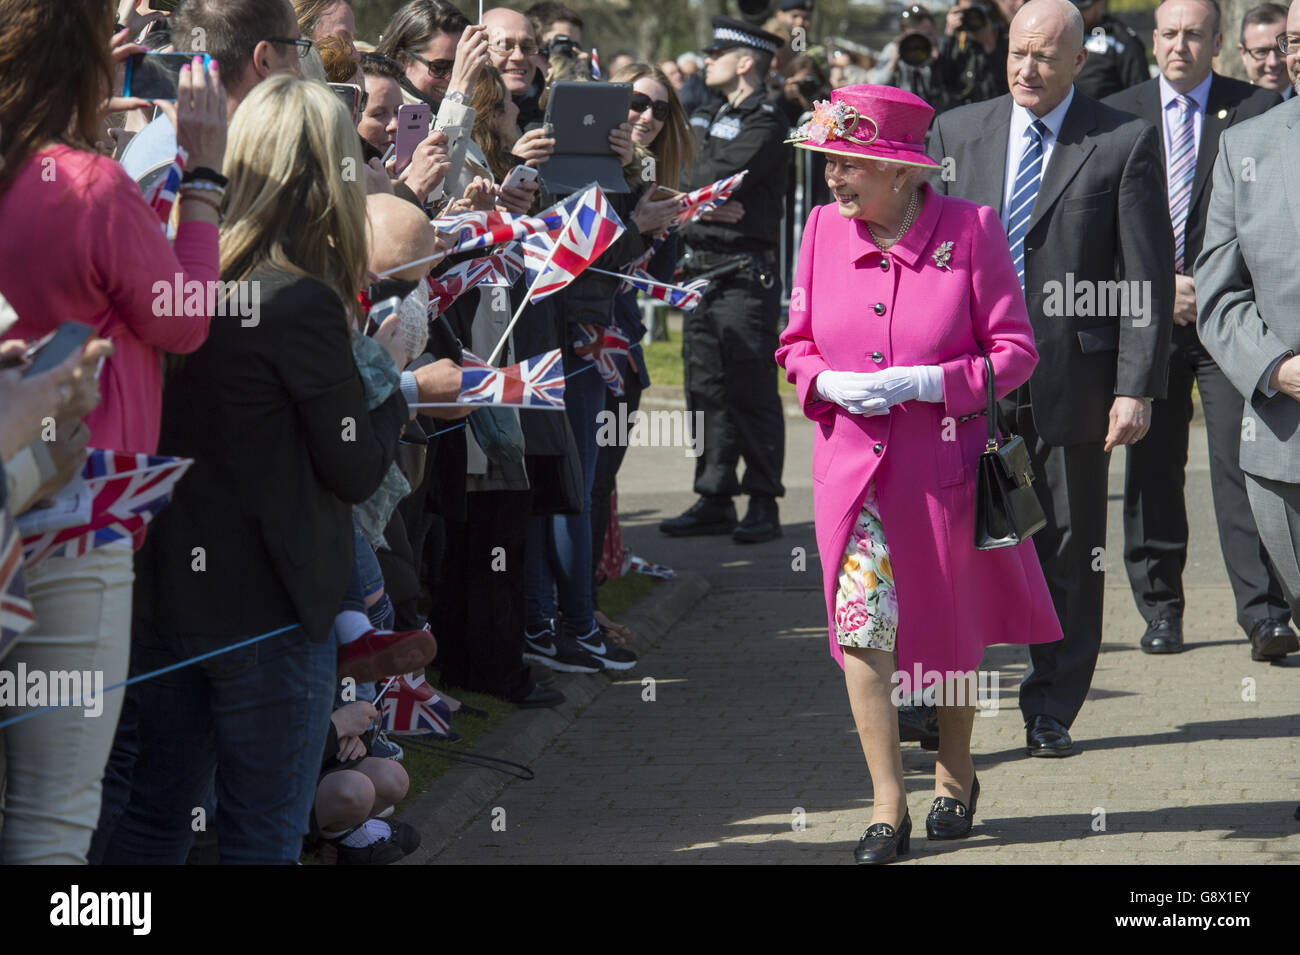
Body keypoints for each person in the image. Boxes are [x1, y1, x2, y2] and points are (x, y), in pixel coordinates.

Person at [98, 74, 462, 864]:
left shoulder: (185, 279)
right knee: (262, 833)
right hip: (270, 610)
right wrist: (398, 382)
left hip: (165, 598)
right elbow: (356, 467)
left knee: (154, 821)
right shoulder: (299, 304)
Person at [777, 84, 1062, 865]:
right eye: (829, 162)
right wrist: (822, 383)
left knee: (949, 637)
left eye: (851, 163)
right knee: (863, 630)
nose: (835, 178)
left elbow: (1015, 350)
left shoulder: (971, 229)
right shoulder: (818, 231)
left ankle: (955, 775)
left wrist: (928, 383)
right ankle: (885, 804)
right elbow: (795, 341)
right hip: (853, 477)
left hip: (943, 473)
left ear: (903, 171)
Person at [0, 0, 224, 864]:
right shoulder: (92, 189)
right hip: (75, 513)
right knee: (54, 817)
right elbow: (184, 318)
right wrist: (203, 181)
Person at [928, 0, 1174, 758]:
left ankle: (1051, 705)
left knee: (1068, 549)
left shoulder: (1122, 140)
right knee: (952, 548)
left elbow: (1146, 275)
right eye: (1017, 53)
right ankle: (936, 703)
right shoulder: (957, 132)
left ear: (1078, 59)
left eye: (1044, 56)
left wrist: (1136, 385)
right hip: (970, 381)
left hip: (1073, 379)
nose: (1027, 69)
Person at [1103, 0, 1292, 661]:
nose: (1180, 46)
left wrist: (1209, 287)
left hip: (1230, 320)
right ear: (1153, 40)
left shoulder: (1257, 109)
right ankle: (1161, 607)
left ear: (1219, 43)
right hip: (1149, 320)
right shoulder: (1118, 113)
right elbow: (1104, 221)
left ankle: (1265, 613)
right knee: (1152, 465)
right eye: (1170, 34)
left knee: (1240, 464)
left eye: (1195, 35)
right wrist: (1158, 285)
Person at [659, 17, 791, 545]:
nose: (704, 60)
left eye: (716, 53)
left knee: (751, 390)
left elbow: (711, 178)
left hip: (743, 274)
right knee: (704, 388)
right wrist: (698, 206)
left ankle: (763, 501)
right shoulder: (707, 113)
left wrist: (695, 193)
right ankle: (714, 495)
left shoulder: (767, 120)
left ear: (743, 63)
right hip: (699, 272)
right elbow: (678, 174)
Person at [1198, 0, 1300, 671]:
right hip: (1286, 441)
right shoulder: (1246, 145)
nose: (1296, 52)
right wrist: (1277, 367)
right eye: (1293, 40)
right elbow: (1218, 291)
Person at [935, 0, 1010, 106]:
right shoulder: (955, 42)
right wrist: (949, 33)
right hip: (963, 109)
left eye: (977, 8)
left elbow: (1007, 85)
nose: (972, 16)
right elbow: (942, 80)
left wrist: (989, 45)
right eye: (966, 11)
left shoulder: (1003, 36)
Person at [1072, 0, 1149, 99]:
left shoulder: (1123, 41)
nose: (1077, 12)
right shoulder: (1062, 32)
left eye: (1083, 8)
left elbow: (1141, 94)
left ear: (1101, 4)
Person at [1238, 2, 1293, 98]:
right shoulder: (1229, 107)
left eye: (1281, 48)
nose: (1273, 62)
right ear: (1243, 54)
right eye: (1261, 52)